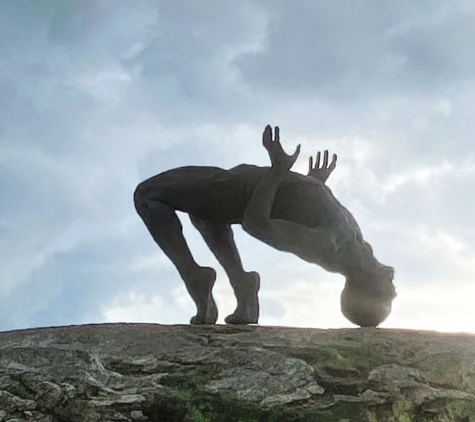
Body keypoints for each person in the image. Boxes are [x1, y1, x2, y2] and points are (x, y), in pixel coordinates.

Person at [133, 125, 396, 328]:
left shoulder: (329, 246)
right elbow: (304, 211)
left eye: (387, 294)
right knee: (203, 214)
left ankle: (194, 276)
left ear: (366, 283)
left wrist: (278, 170)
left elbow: (256, 224)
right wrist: (314, 184)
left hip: (236, 190)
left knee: (148, 195)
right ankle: (241, 283)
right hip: (239, 185)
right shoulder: (356, 246)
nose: (394, 287)